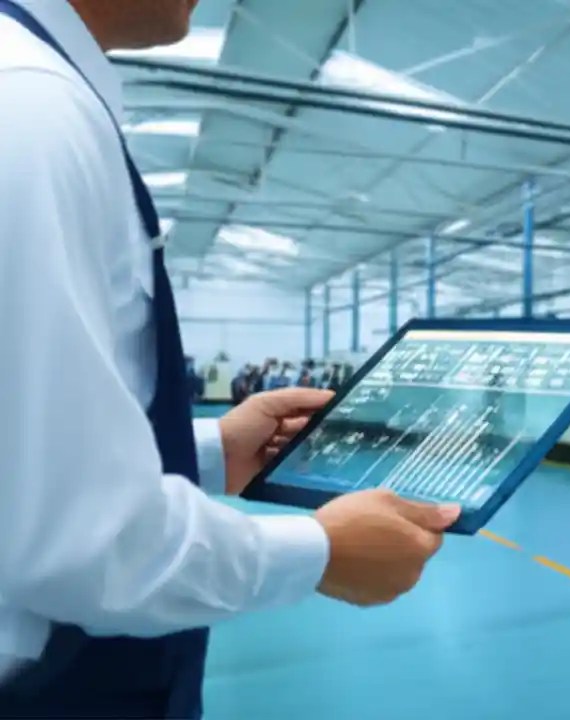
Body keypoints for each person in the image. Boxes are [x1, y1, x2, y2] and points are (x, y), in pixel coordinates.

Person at [0, 2, 459, 717]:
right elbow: (80, 541)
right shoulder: (30, 105)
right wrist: (321, 551)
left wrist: (209, 449)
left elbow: (23, 452)